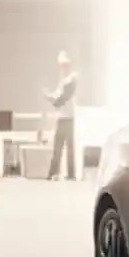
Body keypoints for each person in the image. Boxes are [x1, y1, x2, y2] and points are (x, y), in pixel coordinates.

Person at [43, 50, 79, 180]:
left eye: (65, 65)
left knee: (68, 147)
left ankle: (70, 173)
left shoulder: (72, 79)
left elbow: (62, 97)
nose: (63, 68)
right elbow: (58, 95)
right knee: (58, 146)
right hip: (62, 117)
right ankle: (53, 172)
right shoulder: (64, 80)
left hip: (69, 118)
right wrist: (51, 97)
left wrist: (52, 99)